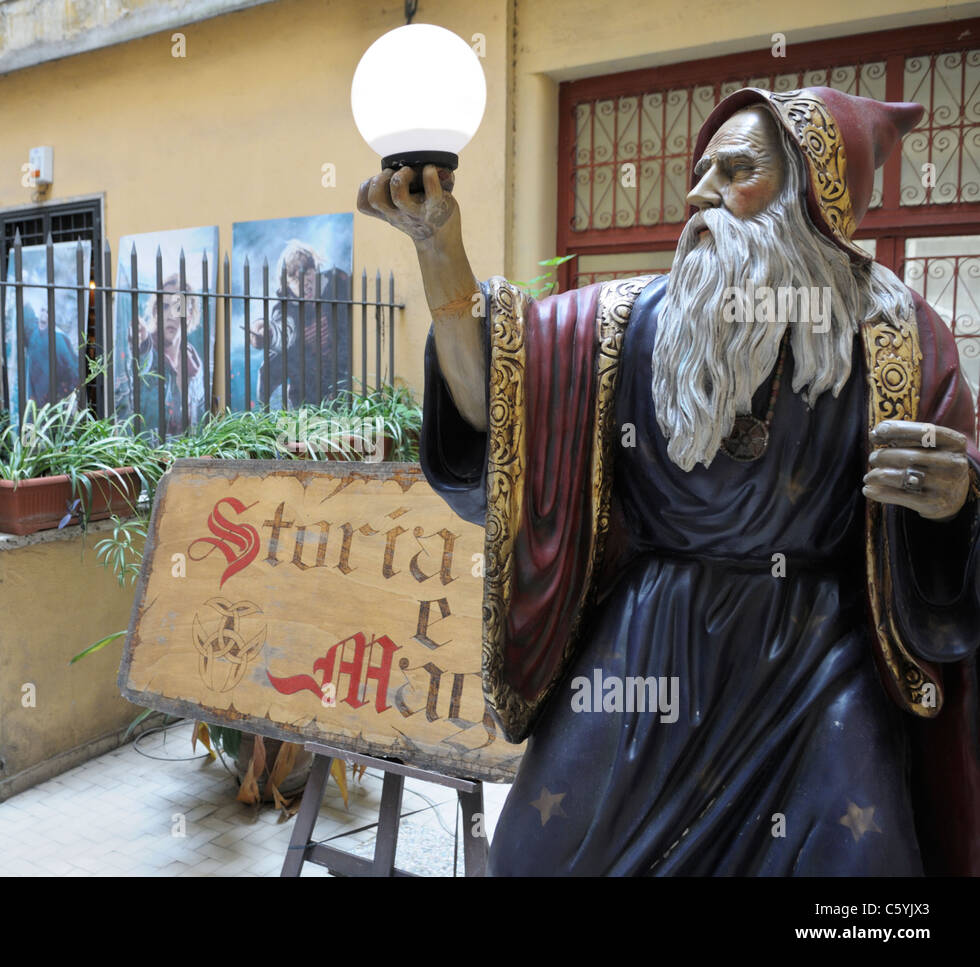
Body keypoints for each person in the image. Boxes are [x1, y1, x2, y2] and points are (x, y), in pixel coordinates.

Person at [359, 86, 980, 875]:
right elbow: (501, 412)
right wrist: (438, 251)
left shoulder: (901, 341)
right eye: (699, 170)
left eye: (733, 169)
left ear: (813, 197)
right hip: (651, 645)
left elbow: (957, 505)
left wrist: (954, 500)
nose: (698, 192)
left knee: (865, 863)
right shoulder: (631, 323)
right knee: (538, 851)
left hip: (819, 660)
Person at [250, 241, 351, 409]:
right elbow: (282, 329)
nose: (305, 283)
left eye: (308, 274)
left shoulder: (336, 283)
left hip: (343, 384)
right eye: (296, 278)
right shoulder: (285, 308)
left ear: (316, 270)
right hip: (307, 397)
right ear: (287, 283)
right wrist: (267, 333)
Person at [134, 274, 205, 437]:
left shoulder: (194, 364)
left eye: (178, 308)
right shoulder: (144, 351)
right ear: (155, 312)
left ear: (190, 315)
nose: (171, 315)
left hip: (187, 456)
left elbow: (200, 422)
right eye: (164, 307)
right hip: (149, 458)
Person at [24, 301, 80, 406]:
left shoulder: (59, 340)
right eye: (42, 310)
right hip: (35, 401)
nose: (44, 315)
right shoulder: (34, 335)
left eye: (48, 312)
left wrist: (63, 393)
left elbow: (73, 371)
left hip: (53, 402)